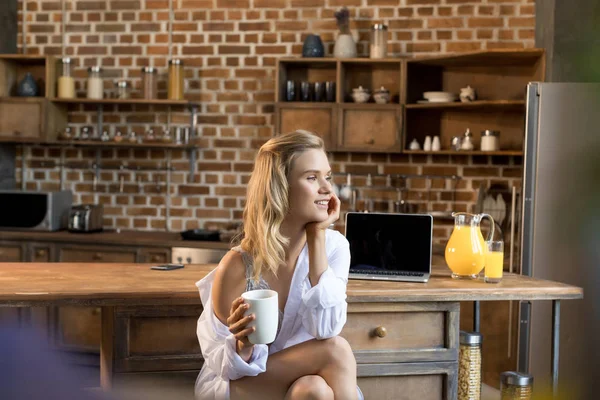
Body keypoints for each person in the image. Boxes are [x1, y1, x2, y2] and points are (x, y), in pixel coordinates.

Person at [194, 130, 362, 400]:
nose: (328, 188)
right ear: (280, 187)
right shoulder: (238, 265)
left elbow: (326, 329)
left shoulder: (335, 247)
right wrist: (242, 344)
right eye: (311, 177)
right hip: (241, 386)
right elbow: (220, 364)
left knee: (313, 390)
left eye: (327, 176)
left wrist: (317, 236)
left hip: (306, 379)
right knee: (336, 351)